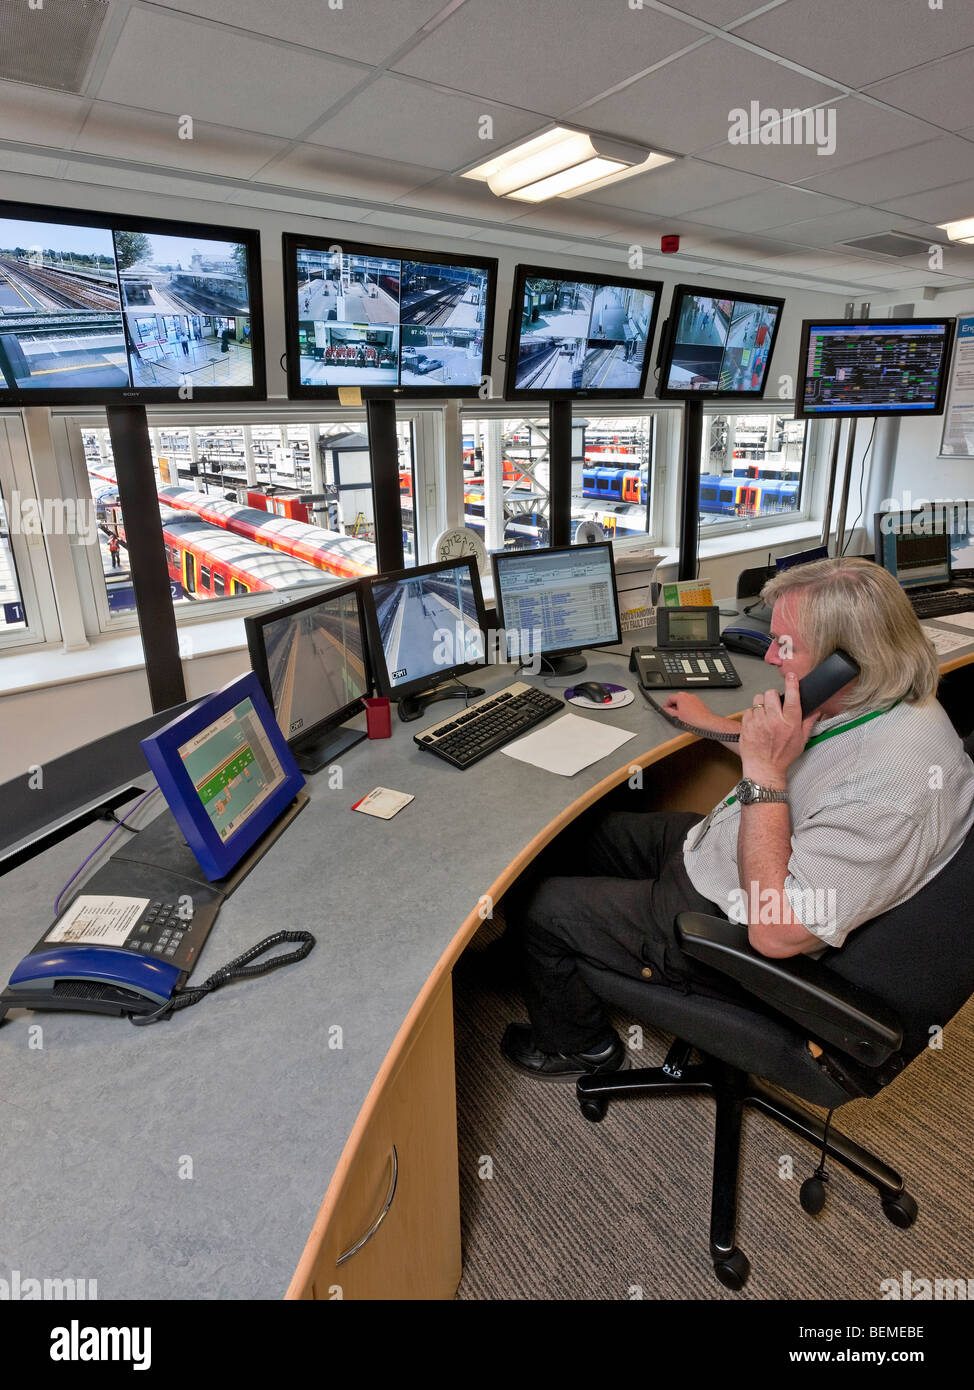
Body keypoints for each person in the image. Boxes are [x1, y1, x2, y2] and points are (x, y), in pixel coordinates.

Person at [500, 557, 974, 1080]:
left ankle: (578, 1045)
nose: (770, 656)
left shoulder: (893, 787)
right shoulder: (881, 699)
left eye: (785, 646)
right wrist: (717, 728)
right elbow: (809, 749)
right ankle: (542, 961)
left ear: (846, 661)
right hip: (721, 851)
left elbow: (775, 933)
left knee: (549, 908)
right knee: (567, 838)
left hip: (733, 919)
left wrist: (764, 771)